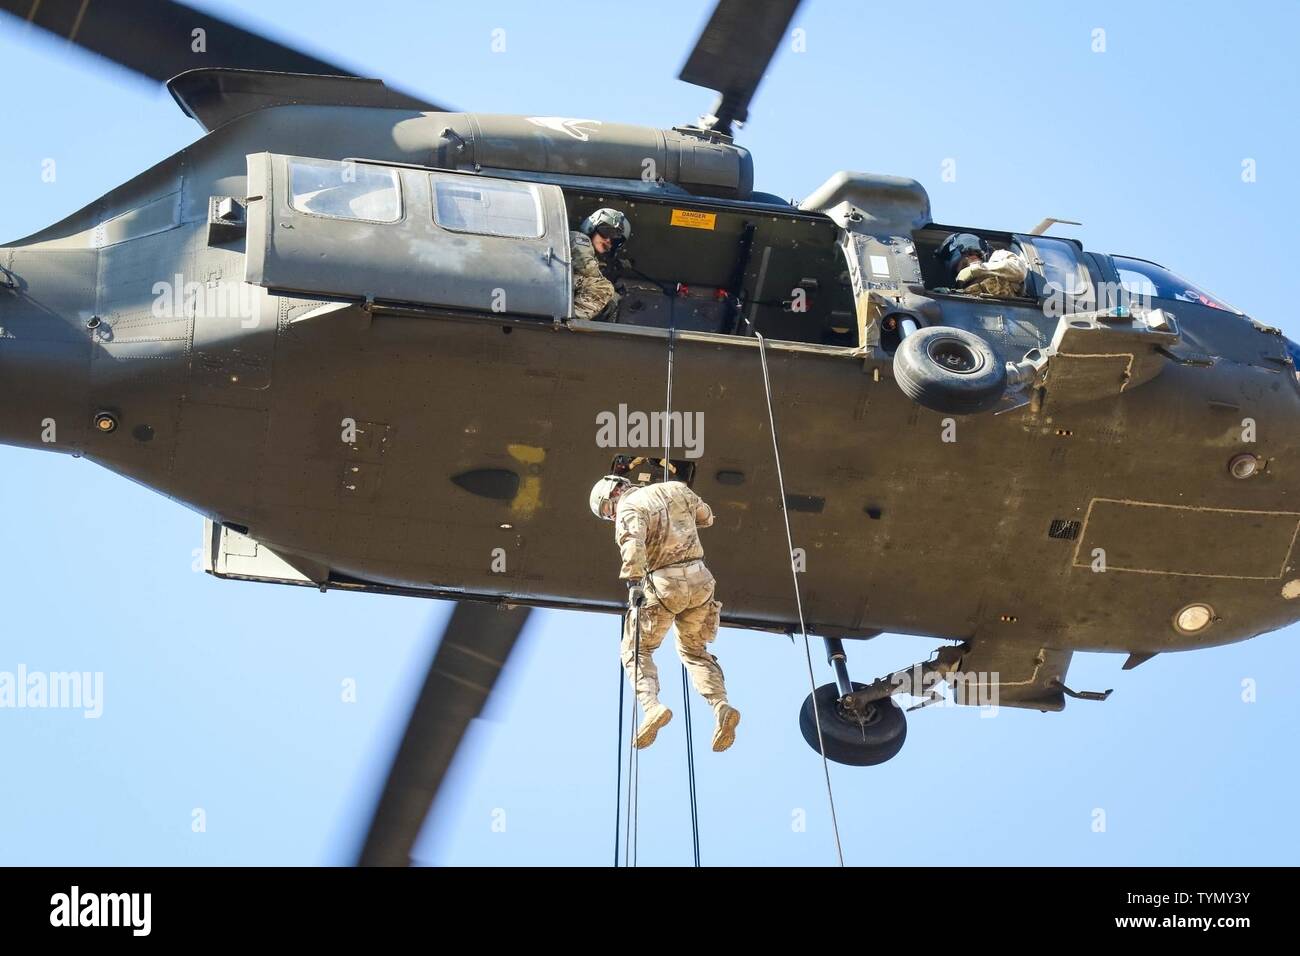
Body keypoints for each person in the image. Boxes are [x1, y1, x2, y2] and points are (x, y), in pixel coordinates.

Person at [589, 474, 740, 752]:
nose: (611, 518)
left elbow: (632, 544)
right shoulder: (676, 488)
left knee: (636, 650)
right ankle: (721, 706)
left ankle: (651, 708)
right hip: (700, 581)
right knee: (694, 651)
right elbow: (706, 517)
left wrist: (634, 584)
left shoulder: (629, 507)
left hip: (665, 585)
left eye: (607, 512)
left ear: (613, 495)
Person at [571, 208, 631, 321]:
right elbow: (587, 267)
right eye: (606, 232)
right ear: (592, 227)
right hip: (555, 283)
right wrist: (610, 290)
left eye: (615, 240)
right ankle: (571, 320)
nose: (608, 240)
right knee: (604, 287)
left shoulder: (596, 258)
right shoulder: (579, 238)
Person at [936, 232, 1028, 298]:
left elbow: (1019, 270)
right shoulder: (965, 286)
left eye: (964, 265)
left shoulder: (998, 256)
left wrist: (976, 270)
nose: (963, 271)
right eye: (961, 270)